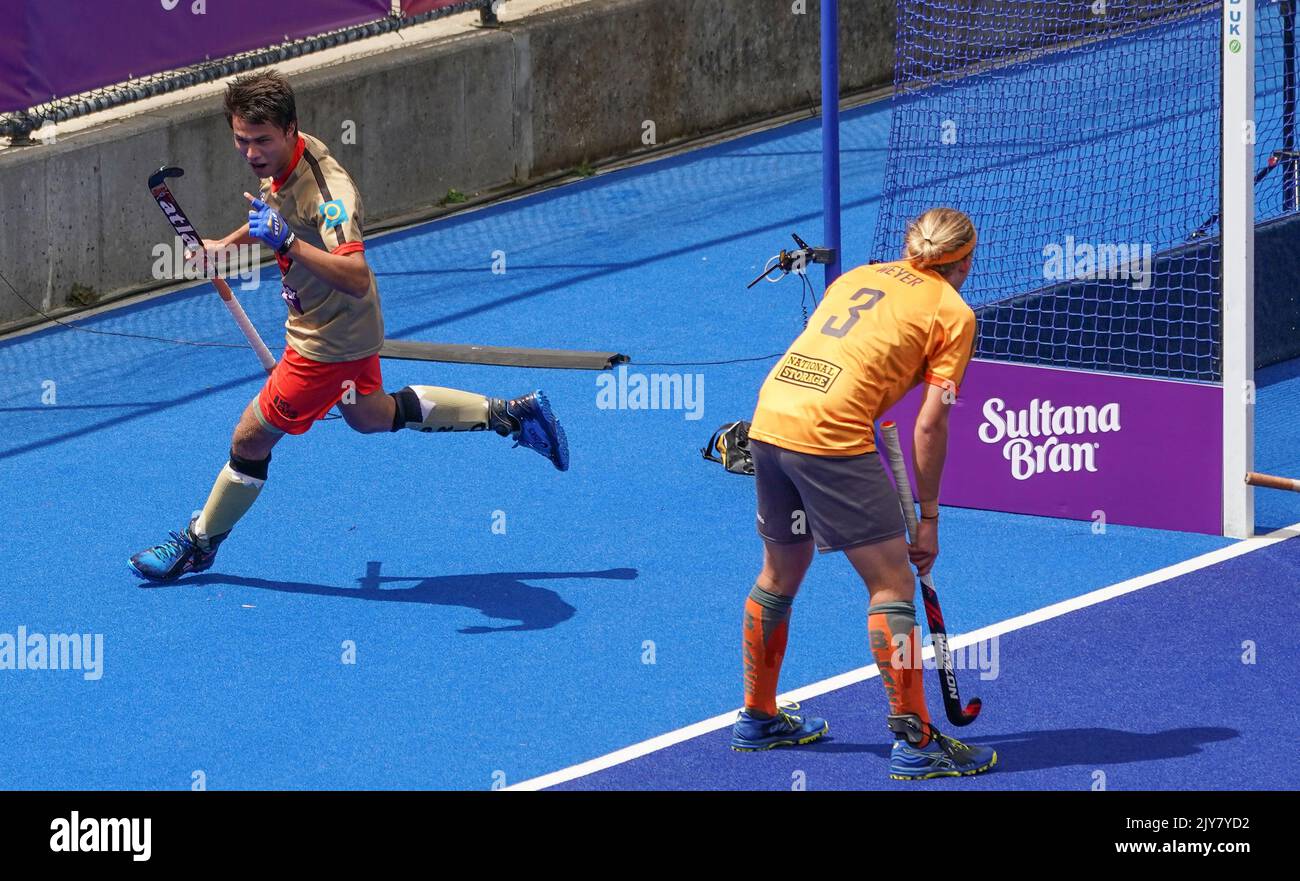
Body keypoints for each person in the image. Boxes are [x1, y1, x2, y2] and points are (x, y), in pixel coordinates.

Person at [129, 70, 568, 582]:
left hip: (326, 344)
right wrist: (223, 249)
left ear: (292, 129)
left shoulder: (328, 192)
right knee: (369, 416)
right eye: (241, 140)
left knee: (250, 439)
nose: (250, 153)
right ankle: (513, 415)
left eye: (261, 140)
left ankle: (199, 543)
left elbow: (356, 275)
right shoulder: (286, 159)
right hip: (341, 328)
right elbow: (275, 217)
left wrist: (288, 247)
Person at [730, 207, 997, 780]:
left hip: (772, 417)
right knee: (893, 584)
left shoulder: (857, 276)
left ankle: (757, 716)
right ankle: (915, 742)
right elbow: (930, 424)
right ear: (966, 261)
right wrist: (928, 520)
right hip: (830, 435)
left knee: (779, 572)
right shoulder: (954, 313)